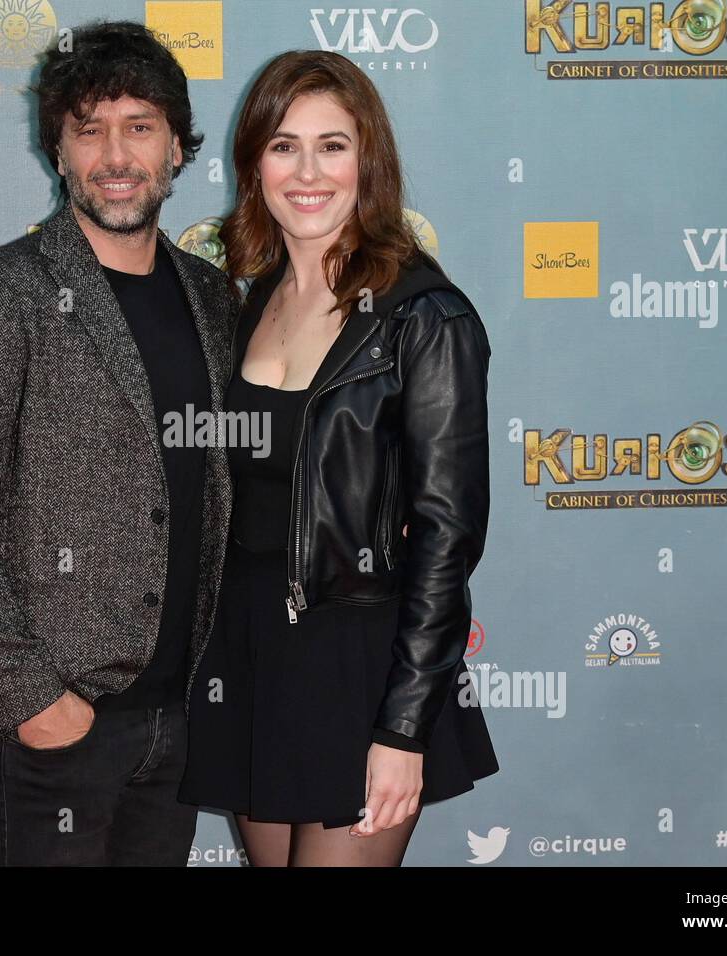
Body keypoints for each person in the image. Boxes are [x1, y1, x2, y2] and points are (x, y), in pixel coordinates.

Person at [0, 20, 236, 866]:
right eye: (89, 130)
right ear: (59, 153)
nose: (115, 155)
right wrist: (31, 695)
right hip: (48, 730)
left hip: (180, 719)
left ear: (179, 151)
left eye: (140, 127)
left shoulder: (216, 298)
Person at [178, 50, 500, 866]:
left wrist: (402, 726)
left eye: (334, 145)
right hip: (249, 652)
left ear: (370, 162)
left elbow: (446, 538)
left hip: (357, 662)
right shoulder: (247, 299)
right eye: (284, 145)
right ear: (253, 163)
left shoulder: (424, 316)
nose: (308, 171)